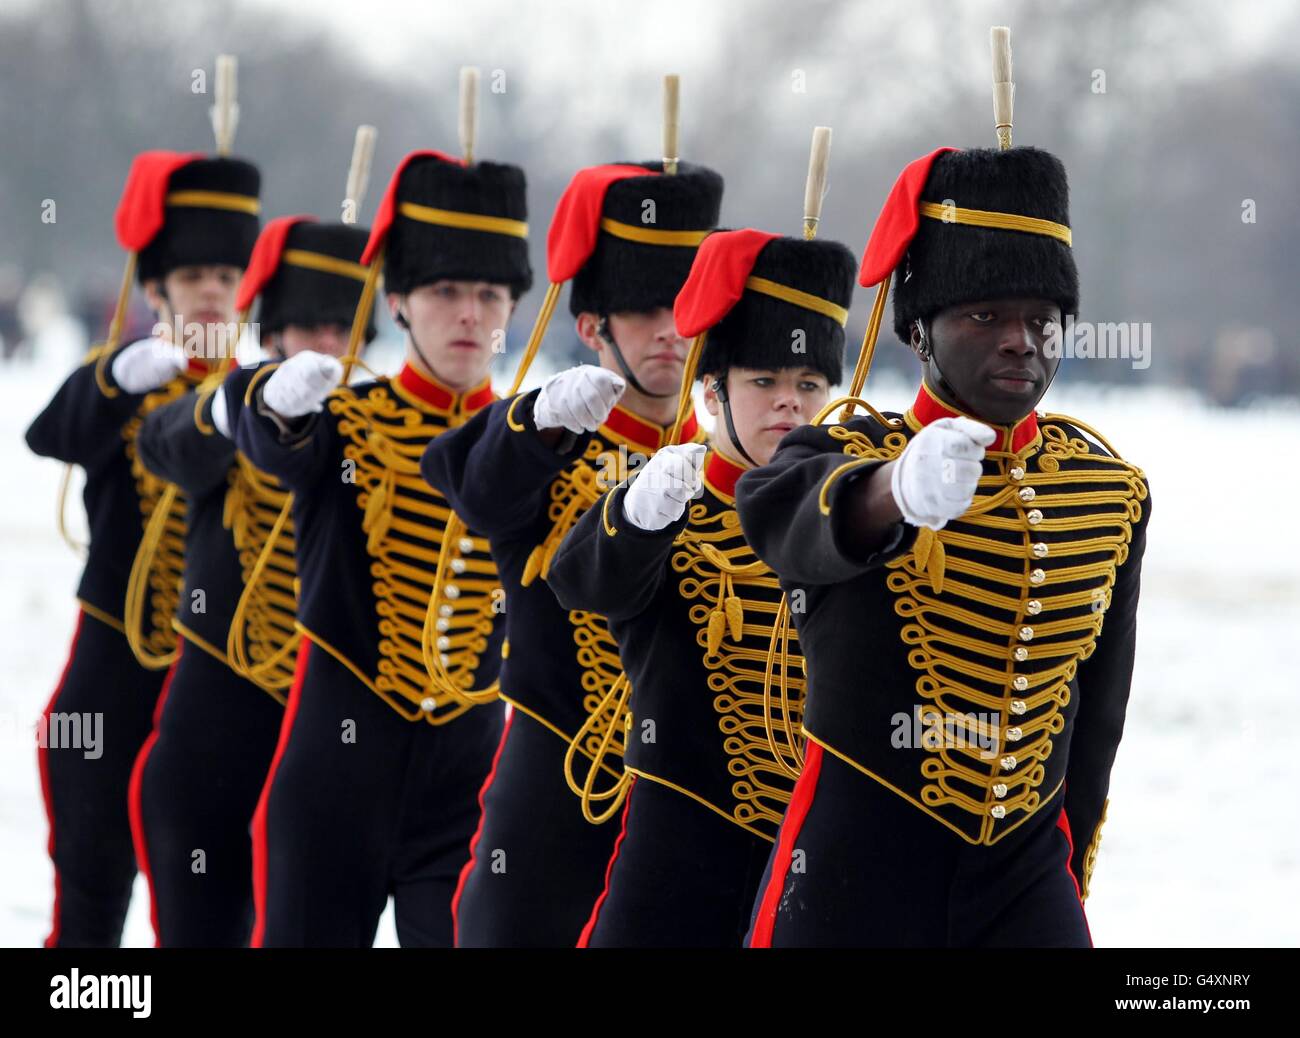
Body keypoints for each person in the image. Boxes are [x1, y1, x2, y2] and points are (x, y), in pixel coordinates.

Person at [735, 145, 1151, 947]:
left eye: (1041, 319)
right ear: (921, 333)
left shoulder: (1107, 491)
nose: (1020, 342)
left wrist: (1070, 876)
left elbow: (1095, 722)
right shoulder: (851, 450)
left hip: (1026, 876)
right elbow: (781, 519)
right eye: (986, 316)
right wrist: (892, 490)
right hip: (859, 876)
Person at [420, 161, 723, 945]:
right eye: (645, 310)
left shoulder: (726, 459)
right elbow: (471, 482)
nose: (669, 333)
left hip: (691, 794)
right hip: (555, 777)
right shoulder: (549, 441)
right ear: (592, 328)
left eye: (684, 309)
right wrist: (540, 422)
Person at [236, 150, 531, 947]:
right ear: (397, 300)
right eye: (445, 291)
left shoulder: (534, 444)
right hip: (332, 785)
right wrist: (275, 403)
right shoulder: (345, 419)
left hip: (464, 799)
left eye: (490, 293)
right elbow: (270, 441)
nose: (470, 314)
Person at [548, 228, 856, 945]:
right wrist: (635, 515)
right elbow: (582, 582)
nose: (790, 404)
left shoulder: (851, 510)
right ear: (713, 391)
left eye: (809, 385)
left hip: (815, 861)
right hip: (676, 855)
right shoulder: (668, 502)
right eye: (763, 381)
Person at [25, 150, 260, 947]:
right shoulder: (117, 383)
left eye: (227, 275)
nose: (210, 291)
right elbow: (48, 434)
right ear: (156, 288)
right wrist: (117, 376)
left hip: (222, 683)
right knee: (88, 902)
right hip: (112, 671)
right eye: (192, 273)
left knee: (210, 915)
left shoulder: (263, 401)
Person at [127, 216, 374, 945]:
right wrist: (249, 407)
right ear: (272, 336)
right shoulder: (227, 409)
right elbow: (161, 440)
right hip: (207, 754)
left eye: (341, 327)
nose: (326, 345)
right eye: (308, 327)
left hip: (321, 759)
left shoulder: (375, 432)